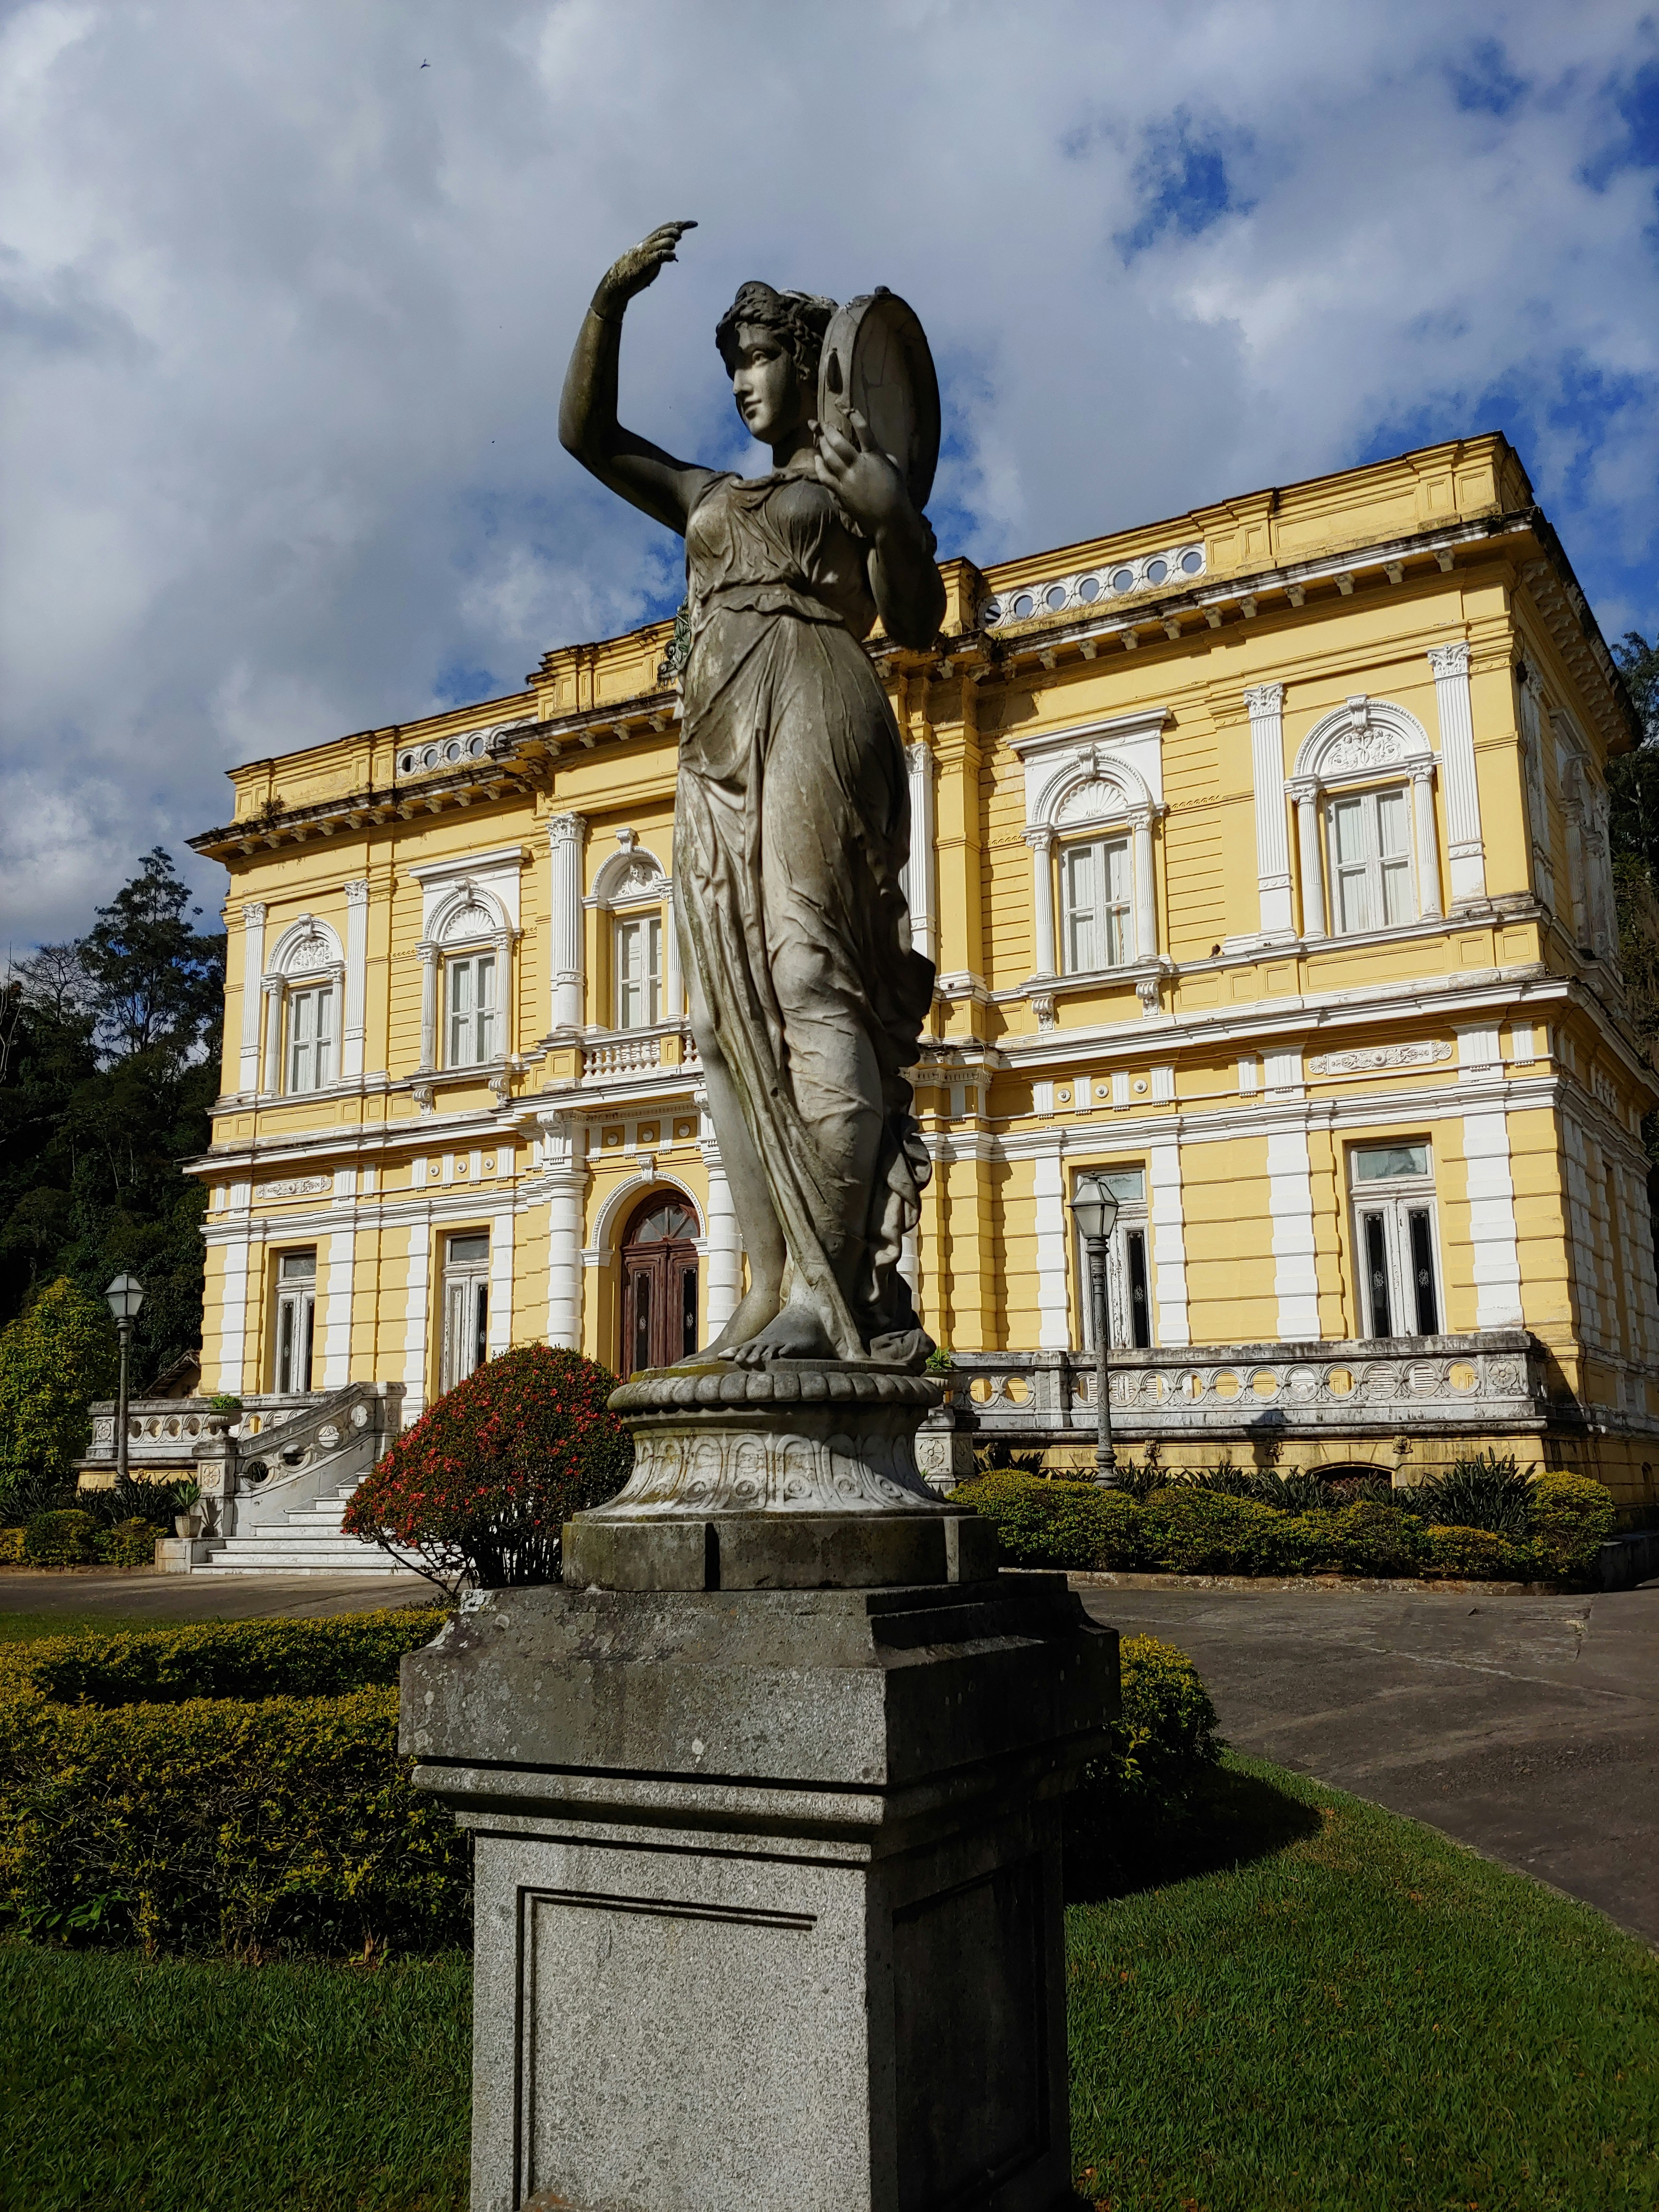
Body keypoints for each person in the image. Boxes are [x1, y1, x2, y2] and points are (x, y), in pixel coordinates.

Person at [560, 221, 944, 1367]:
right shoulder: (708, 493)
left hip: (816, 699)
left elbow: (914, 623)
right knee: (729, 1028)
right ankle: (770, 1283)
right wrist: (607, 302)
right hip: (715, 733)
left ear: (812, 364)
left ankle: (833, 1293)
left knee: (807, 973)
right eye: (732, 362)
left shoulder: (850, 484)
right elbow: (584, 435)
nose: (741, 383)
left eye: (761, 357)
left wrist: (893, 516)